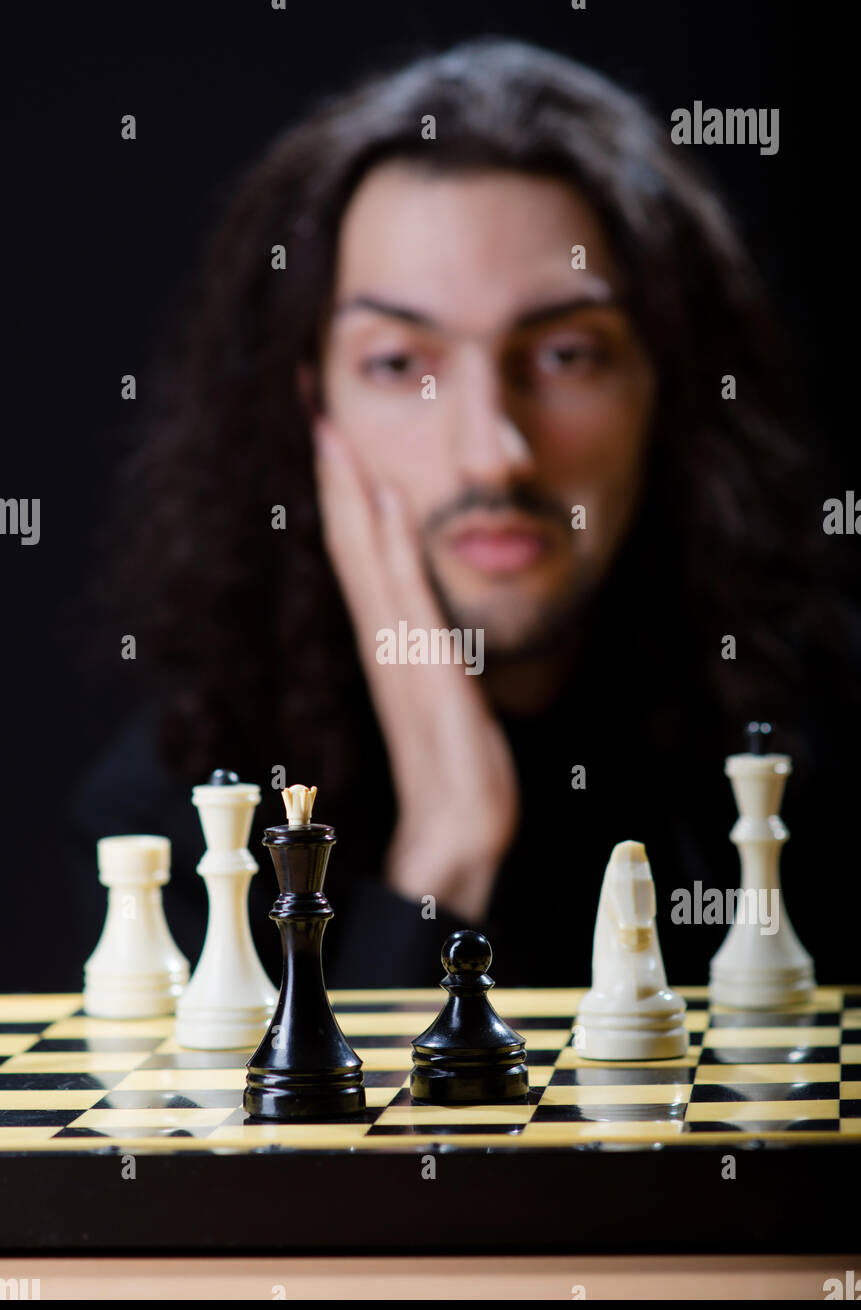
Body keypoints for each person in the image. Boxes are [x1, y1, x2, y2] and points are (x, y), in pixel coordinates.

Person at [68, 39, 860, 990]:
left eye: (567, 356)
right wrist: (447, 841)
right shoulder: (173, 814)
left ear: (669, 387)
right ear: (313, 410)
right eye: (400, 364)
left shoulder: (825, 749)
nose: (493, 451)